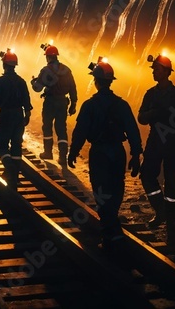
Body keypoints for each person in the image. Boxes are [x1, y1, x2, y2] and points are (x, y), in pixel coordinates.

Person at [66, 60, 142, 250]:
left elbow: (81, 131)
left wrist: (73, 151)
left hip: (99, 152)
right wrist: (135, 154)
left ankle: (111, 233)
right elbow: (133, 131)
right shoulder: (122, 105)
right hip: (118, 152)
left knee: (101, 191)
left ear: (96, 82)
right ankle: (112, 228)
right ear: (110, 82)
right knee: (116, 188)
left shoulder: (90, 106)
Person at [138, 54, 175, 232]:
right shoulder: (150, 94)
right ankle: (160, 210)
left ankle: (171, 219)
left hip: (172, 140)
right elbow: (141, 117)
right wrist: (152, 113)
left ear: (166, 72)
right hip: (156, 138)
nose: (153, 72)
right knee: (147, 175)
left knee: (172, 180)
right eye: (153, 69)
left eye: (156, 69)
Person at [0, 49, 32, 190]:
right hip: (19, 115)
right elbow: (27, 100)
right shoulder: (22, 81)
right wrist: (27, 115)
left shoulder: (0, 81)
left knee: (1, 145)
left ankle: (9, 167)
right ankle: (14, 175)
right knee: (16, 145)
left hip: (6, 114)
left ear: (4, 65)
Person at [30, 44, 78, 170]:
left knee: (47, 126)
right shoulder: (66, 70)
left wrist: (33, 82)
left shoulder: (46, 70)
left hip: (50, 102)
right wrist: (73, 104)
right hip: (63, 102)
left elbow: (37, 88)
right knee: (61, 127)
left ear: (48, 58)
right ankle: (63, 157)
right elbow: (73, 87)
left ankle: (48, 152)